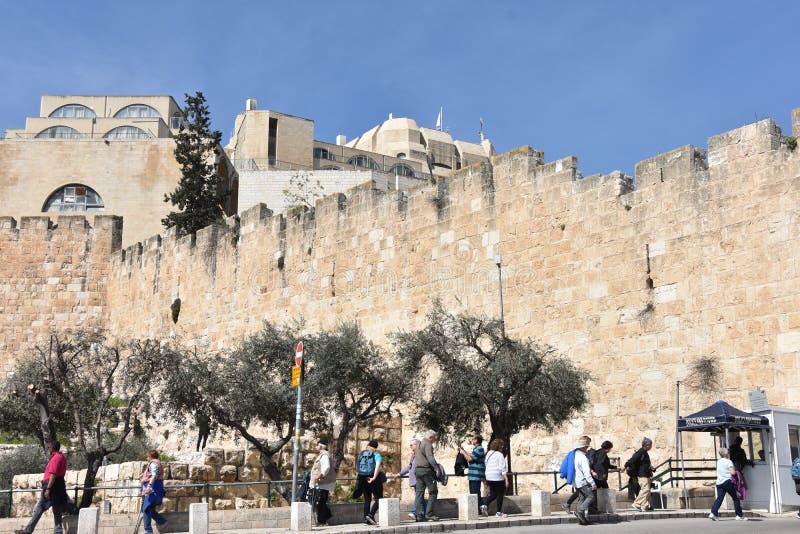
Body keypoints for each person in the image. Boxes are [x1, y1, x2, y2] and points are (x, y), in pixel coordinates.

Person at [15, 440, 68, 534]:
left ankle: (27, 531)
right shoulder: (62, 457)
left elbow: (53, 475)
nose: (48, 449)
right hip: (59, 485)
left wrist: (48, 488)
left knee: (40, 508)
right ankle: (58, 532)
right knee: (57, 510)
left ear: (52, 448)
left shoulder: (56, 458)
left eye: (49, 447)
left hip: (52, 486)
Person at [709, 448, 748, 521]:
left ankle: (713, 513)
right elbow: (732, 472)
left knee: (719, 498)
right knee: (736, 497)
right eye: (729, 452)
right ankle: (739, 515)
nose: (729, 453)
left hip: (719, 482)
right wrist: (737, 472)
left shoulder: (719, 461)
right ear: (726, 454)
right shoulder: (729, 461)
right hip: (727, 482)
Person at [354, 439, 384, 525]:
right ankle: (371, 515)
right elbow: (377, 466)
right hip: (373, 479)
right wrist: (374, 477)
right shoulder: (376, 455)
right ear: (375, 447)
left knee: (367, 499)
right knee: (379, 498)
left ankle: (366, 518)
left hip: (363, 478)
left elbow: (357, 468)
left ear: (368, 446)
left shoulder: (362, 454)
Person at [414, 430, 441, 522]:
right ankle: (429, 514)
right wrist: (436, 468)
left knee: (419, 493)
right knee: (433, 492)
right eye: (434, 438)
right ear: (430, 437)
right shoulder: (428, 444)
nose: (434, 440)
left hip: (418, 471)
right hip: (426, 471)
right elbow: (430, 457)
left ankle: (418, 516)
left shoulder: (418, 444)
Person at [140, 450, 168, 534]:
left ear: (151, 457)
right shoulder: (156, 463)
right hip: (156, 488)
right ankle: (162, 522)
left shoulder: (153, 464)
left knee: (146, 508)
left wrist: (149, 486)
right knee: (149, 509)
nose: (147, 458)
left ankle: (148, 530)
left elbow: (154, 475)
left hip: (153, 489)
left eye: (148, 456)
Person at [562, 435, 592, 513]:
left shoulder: (574, 453)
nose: (587, 447)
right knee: (588, 496)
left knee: (580, 495)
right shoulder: (580, 455)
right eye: (587, 445)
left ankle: (578, 512)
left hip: (575, 478)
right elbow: (582, 467)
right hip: (580, 478)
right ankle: (577, 510)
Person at [458, 434, 486, 516]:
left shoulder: (480, 449)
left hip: (476, 475)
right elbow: (471, 456)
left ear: (477, 440)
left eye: (473, 439)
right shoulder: (477, 449)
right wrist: (464, 451)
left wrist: (463, 453)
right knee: (474, 492)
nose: (472, 440)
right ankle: (480, 509)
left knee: (475, 493)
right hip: (473, 474)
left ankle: (482, 508)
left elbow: (469, 459)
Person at [309, 437, 335, 526]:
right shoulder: (323, 454)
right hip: (322, 483)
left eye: (317, 444)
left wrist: (321, 475)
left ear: (320, 446)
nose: (316, 446)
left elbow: (326, 467)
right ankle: (326, 517)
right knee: (321, 502)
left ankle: (322, 521)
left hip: (323, 483)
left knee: (321, 502)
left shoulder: (324, 455)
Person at [397, 438, 425, 520]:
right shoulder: (413, 455)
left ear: (416, 445)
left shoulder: (421, 455)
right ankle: (424, 514)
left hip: (420, 479)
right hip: (415, 480)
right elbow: (409, 467)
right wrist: (400, 473)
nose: (410, 446)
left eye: (411, 445)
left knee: (418, 497)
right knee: (420, 497)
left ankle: (414, 512)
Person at [625, 437, 654, 512]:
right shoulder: (640, 452)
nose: (651, 447)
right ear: (647, 445)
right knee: (645, 489)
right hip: (642, 474)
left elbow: (644, 464)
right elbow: (632, 460)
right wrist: (625, 466)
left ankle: (644, 506)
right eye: (651, 445)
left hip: (646, 474)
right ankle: (637, 503)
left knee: (647, 491)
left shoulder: (644, 452)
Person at [572, 437, 596, 526]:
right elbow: (586, 472)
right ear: (582, 448)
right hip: (582, 481)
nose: (587, 449)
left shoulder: (575, 456)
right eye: (586, 447)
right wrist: (592, 483)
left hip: (576, 481)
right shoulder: (583, 458)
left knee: (582, 498)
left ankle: (582, 520)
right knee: (591, 497)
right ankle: (580, 511)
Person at [483, 438, 510, 518]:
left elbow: (486, 464)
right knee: (500, 494)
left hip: (489, 476)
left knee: (494, 493)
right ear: (499, 446)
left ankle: (484, 505)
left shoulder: (488, 453)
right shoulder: (499, 454)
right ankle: (498, 512)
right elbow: (502, 468)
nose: (503, 448)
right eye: (502, 446)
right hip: (497, 476)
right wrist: (506, 479)